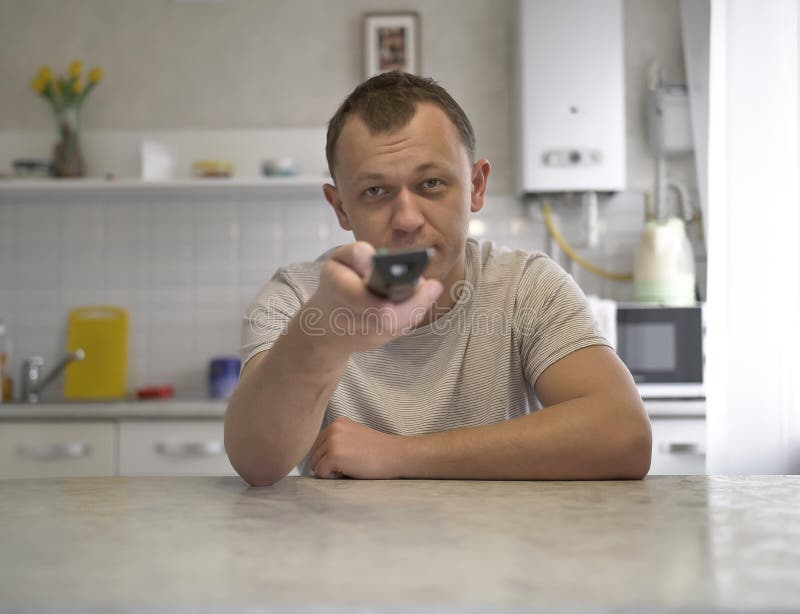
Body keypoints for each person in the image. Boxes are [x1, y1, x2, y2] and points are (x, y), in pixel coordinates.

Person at [225, 72, 652, 486]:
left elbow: (624, 435)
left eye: (431, 184)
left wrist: (401, 455)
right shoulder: (296, 297)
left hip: (498, 551)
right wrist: (324, 334)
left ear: (476, 187)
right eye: (375, 192)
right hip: (340, 554)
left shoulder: (526, 285)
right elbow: (256, 463)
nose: (407, 219)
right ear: (340, 207)